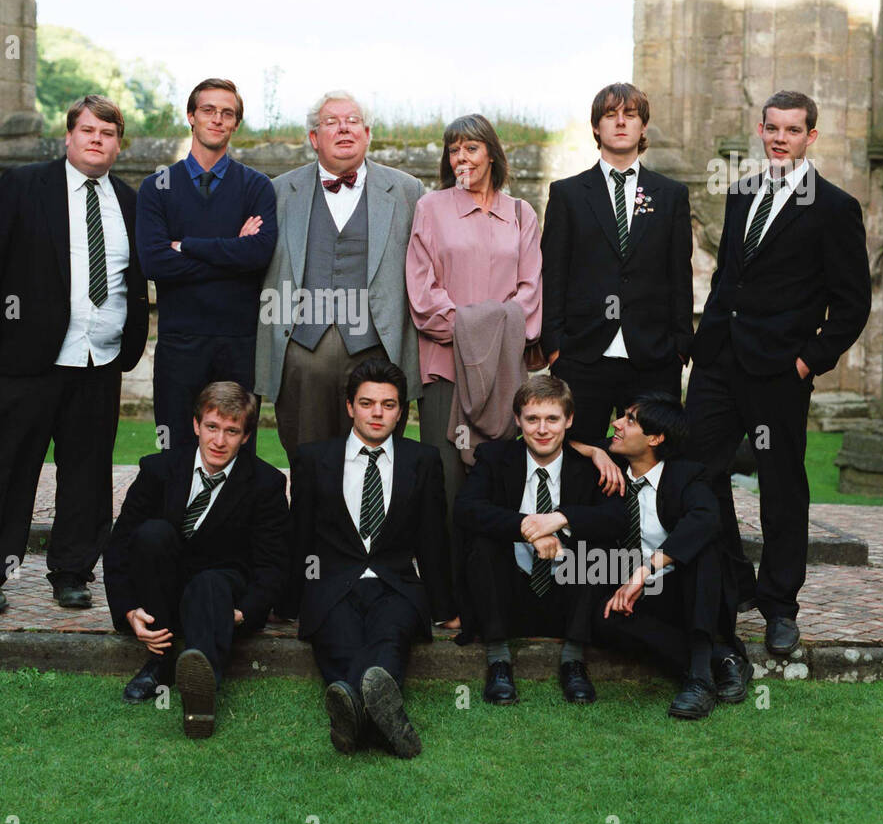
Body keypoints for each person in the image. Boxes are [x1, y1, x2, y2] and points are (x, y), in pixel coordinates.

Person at [685, 90, 870, 657]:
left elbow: (852, 302)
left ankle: (780, 606)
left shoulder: (835, 208)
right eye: (773, 129)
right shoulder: (742, 194)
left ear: (811, 136)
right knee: (695, 469)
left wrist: (807, 361)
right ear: (761, 131)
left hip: (778, 371)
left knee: (782, 487)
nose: (781, 138)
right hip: (719, 362)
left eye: (793, 130)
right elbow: (728, 277)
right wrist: (704, 341)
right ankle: (737, 580)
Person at [0, 95, 149, 613]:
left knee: (87, 473)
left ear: (117, 144)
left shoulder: (129, 201)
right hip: (26, 357)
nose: (96, 140)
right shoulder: (24, 185)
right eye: (87, 130)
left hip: (99, 358)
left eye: (107, 134)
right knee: (9, 466)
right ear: (69, 136)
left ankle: (72, 571)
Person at [290, 358, 458, 758]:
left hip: (395, 584)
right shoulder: (313, 459)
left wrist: (445, 606)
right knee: (339, 639)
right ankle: (381, 720)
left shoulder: (423, 460)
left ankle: (352, 717)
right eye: (367, 403)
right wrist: (287, 600)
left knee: (390, 638)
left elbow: (433, 538)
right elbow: (299, 534)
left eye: (388, 404)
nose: (377, 413)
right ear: (350, 406)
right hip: (331, 584)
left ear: (401, 411)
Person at [103, 381, 289, 738]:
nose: (219, 441)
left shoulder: (265, 484)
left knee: (210, 582)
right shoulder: (158, 470)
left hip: (218, 591)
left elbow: (273, 564)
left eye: (232, 431)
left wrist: (244, 612)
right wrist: (128, 610)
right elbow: (119, 546)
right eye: (212, 427)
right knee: (152, 533)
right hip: (163, 593)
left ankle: (202, 688)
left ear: (246, 435)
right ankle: (160, 660)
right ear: (196, 425)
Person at [255, 91, 423, 458]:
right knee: (307, 462)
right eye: (331, 122)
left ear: (367, 134)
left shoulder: (409, 191)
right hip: (302, 353)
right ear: (314, 138)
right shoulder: (278, 191)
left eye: (353, 121)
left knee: (376, 463)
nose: (343, 128)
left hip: (376, 352)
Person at [405, 113, 543, 537]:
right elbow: (424, 298)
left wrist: (484, 335)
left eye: (471, 147)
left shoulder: (521, 214)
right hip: (444, 370)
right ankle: (444, 600)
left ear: (491, 154)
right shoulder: (430, 207)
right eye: (454, 149)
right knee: (444, 489)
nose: (461, 157)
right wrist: (486, 332)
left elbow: (530, 297)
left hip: (503, 375)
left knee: (495, 489)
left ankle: (490, 598)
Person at [452, 376, 625, 705]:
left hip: (568, 594)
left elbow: (616, 519)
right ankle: (498, 659)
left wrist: (560, 519)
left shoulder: (591, 466)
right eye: (532, 419)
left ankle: (574, 659)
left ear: (569, 420)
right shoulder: (494, 457)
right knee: (483, 544)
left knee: (598, 547)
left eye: (552, 419)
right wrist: (529, 528)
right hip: (508, 595)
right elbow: (466, 509)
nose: (542, 429)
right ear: (518, 420)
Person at [541, 83, 693, 445]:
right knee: (580, 458)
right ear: (596, 127)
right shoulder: (568, 194)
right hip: (583, 354)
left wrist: (681, 347)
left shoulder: (671, 195)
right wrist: (555, 346)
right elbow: (553, 273)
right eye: (610, 115)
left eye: (630, 115)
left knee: (651, 462)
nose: (620, 123)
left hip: (653, 355)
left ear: (643, 128)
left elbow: (679, 274)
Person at [587, 394, 752, 719]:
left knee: (701, 549)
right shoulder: (610, 474)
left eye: (629, 420)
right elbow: (564, 442)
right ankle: (722, 661)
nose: (615, 424)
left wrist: (646, 569)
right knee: (604, 617)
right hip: (641, 601)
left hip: (686, 592)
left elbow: (705, 519)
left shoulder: (687, 475)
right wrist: (594, 451)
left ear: (656, 438)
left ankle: (699, 684)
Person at [136, 78, 277, 454]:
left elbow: (259, 255)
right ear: (191, 117)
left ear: (235, 124)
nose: (217, 119)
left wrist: (188, 247)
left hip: (239, 343)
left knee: (236, 448)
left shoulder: (257, 187)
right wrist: (233, 251)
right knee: (175, 448)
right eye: (208, 110)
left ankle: (233, 517)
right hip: (180, 342)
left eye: (227, 113)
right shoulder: (157, 187)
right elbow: (154, 263)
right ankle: (174, 516)